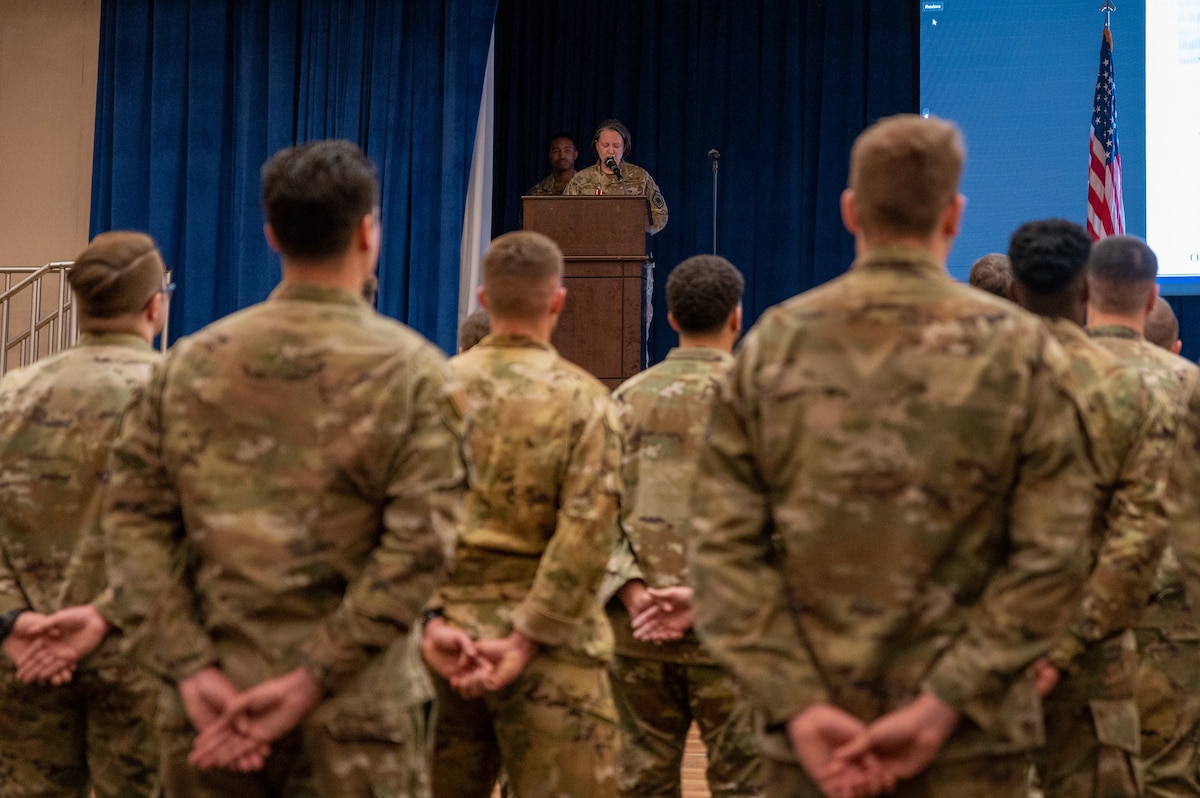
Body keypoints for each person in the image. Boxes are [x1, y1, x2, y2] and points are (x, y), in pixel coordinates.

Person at [688, 114, 1095, 798]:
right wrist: (944, 705)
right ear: (954, 215)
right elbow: (1059, 550)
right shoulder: (1021, 352)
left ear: (851, 211)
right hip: (972, 739)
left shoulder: (773, 345)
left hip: (814, 748)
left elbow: (719, 545)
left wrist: (801, 707)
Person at [100, 139, 465, 797]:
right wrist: (309, 682)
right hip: (356, 722)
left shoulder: (188, 365)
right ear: (367, 232)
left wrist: (191, 672)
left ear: (271, 234)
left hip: (210, 713)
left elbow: (130, 531)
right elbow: (421, 549)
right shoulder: (414, 375)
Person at [420, 230, 621, 798]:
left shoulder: (429, 391)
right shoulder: (586, 402)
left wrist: (432, 620)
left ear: (483, 300)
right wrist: (524, 640)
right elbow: (588, 534)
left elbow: (398, 522)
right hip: (554, 657)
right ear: (558, 300)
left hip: (438, 654)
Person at [1007, 219, 1172, 798]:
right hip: (1097, 656)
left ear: (1013, 291)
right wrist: (1068, 645)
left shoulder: (966, 380)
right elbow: (1142, 531)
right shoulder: (1130, 386)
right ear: (1085, 290)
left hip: (983, 661)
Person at [0, 231, 167, 797]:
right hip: (143, 656)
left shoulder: (11, 395)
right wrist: (105, 615)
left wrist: (13, 622)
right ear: (155, 304)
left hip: (24, 659)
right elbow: (208, 535)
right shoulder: (181, 397)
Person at [602, 254, 763, 798]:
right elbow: (794, 522)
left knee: (641, 785)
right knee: (747, 786)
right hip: (738, 634)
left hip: (638, 632)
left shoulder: (625, 403)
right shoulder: (764, 405)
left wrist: (633, 594)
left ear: (668, 316)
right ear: (737, 317)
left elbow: (591, 513)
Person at [1083, 236, 1200, 798]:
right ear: (1153, 297)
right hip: (1171, 603)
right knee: (1168, 773)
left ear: (1085, 293)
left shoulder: (1045, 376)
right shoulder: (1188, 386)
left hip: (1068, 606)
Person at [565, 119, 668, 234]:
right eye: (605, 145)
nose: (610, 151)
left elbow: (660, 213)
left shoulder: (640, 177)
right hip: (591, 245)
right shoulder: (580, 179)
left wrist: (638, 231)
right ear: (597, 145)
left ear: (624, 147)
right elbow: (564, 214)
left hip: (629, 246)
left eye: (616, 146)